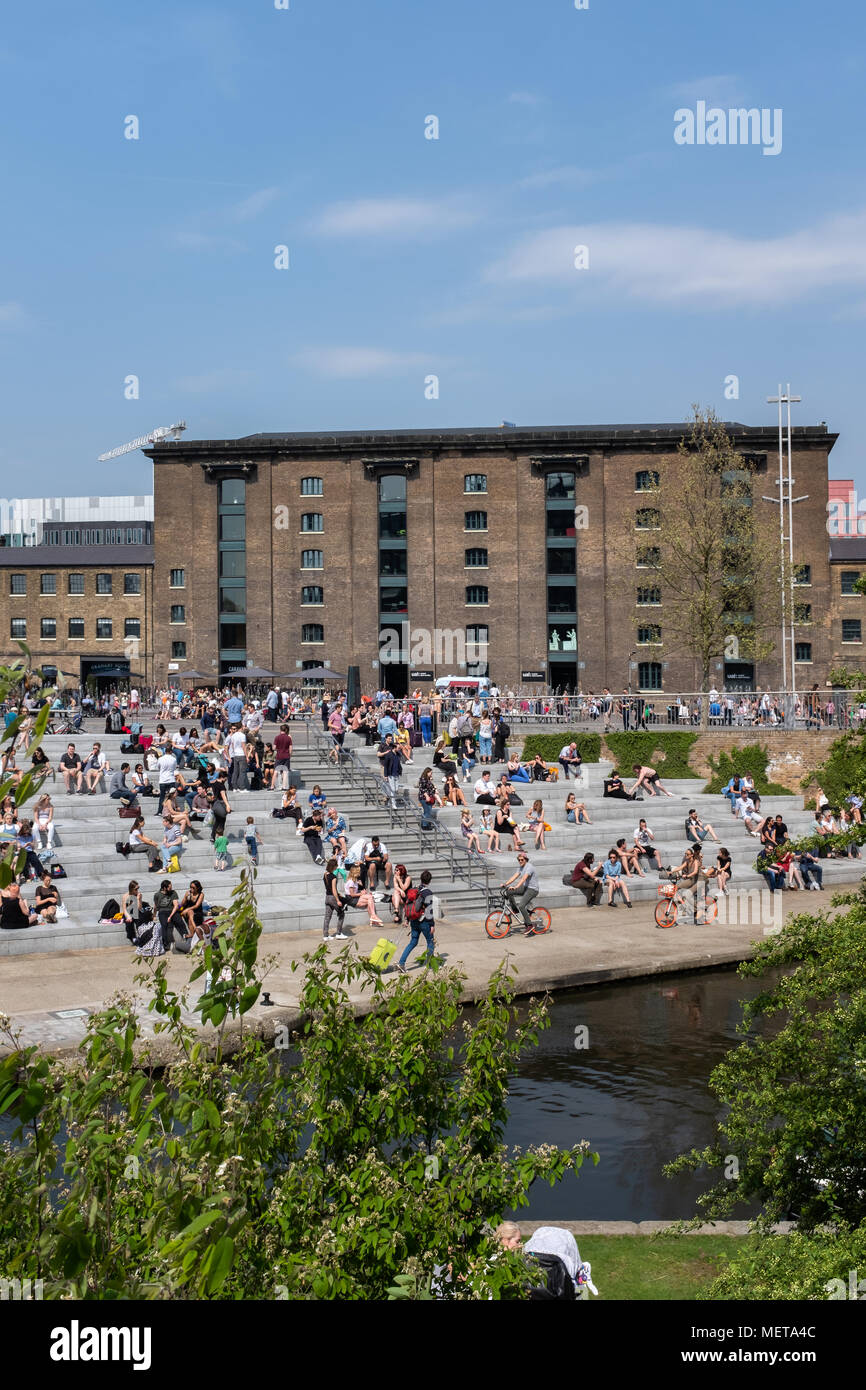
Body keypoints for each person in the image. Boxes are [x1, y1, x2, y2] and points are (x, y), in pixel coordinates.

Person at [394, 868, 435, 971]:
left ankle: (401, 963)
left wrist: (407, 920)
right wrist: (432, 925)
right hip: (424, 921)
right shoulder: (428, 892)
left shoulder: (414, 890)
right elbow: (429, 910)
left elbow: (409, 904)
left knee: (413, 942)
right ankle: (430, 964)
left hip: (413, 920)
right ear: (429, 881)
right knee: (430, 941)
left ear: (421, 879)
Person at [501, 853, 540, 931]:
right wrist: (505, 884)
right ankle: (515, 910)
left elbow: (523, 879)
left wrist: (516, 887)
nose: (520, 861)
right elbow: (514, 876)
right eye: (519, 860)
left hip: (533, 889)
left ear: (526, 859)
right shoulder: (521, 867)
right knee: (509, 891)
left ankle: (529, 925)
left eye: (522, 859)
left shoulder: (529, 867)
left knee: (521, 905)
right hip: (526, 888)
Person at [322, 857, 348, 940]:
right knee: (341, 914)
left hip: (327, 897)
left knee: (327, 917)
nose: (337, 867)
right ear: (333, 867)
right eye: (336, 866)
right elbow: (333, 889)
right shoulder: (333, 877)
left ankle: (325, 935)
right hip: (333, 898)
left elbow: (329, 888)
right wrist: (338, 900)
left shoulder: (325, 874)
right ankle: (339, 933)